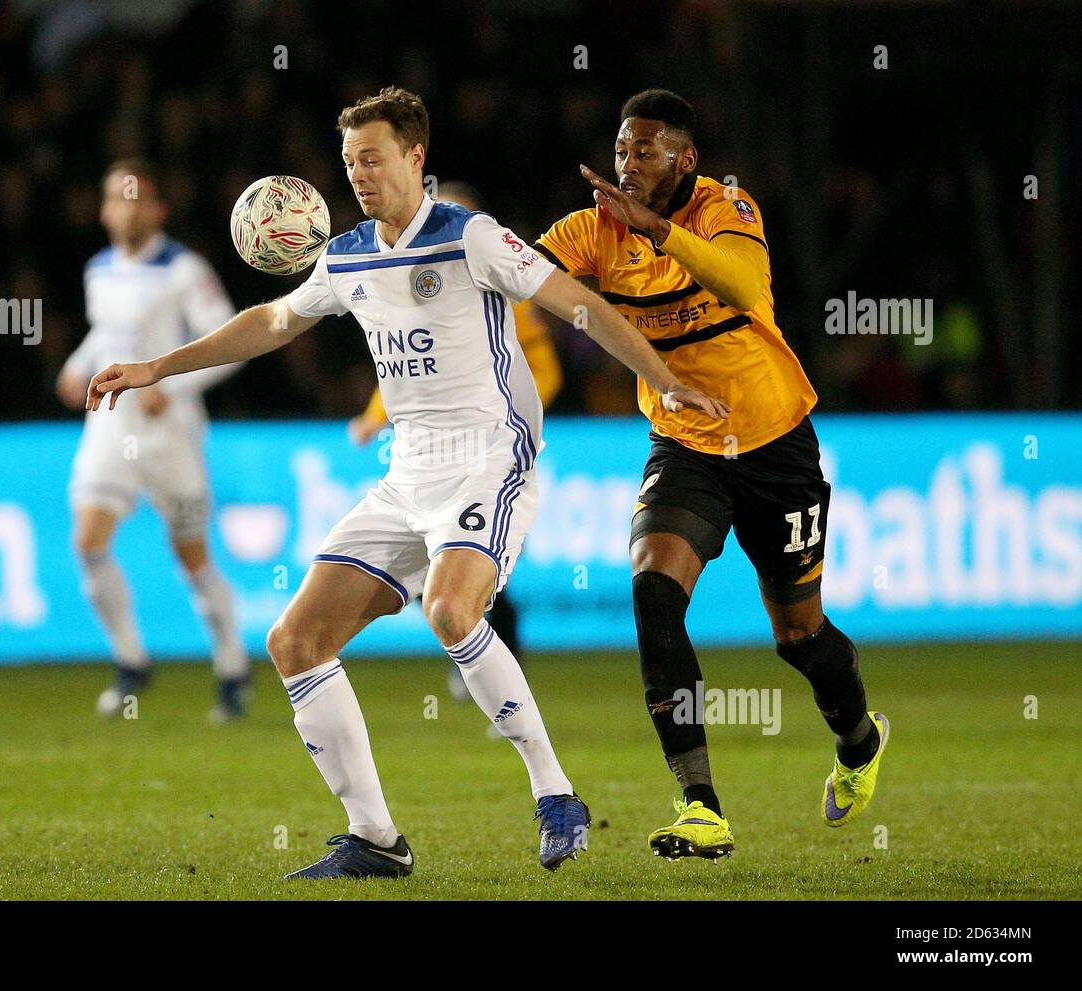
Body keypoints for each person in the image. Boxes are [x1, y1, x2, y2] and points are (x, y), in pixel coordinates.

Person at [86, 87, 727, 879]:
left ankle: (555, 791)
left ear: (416, 159)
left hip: (489, 453)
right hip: (407, 468)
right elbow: (274, 321)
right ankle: (376, 838)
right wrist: (158, 364)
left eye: (373, 157)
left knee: (450, 609)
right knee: (293, 641)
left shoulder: (473, 238)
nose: (358, 174)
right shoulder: (347, 253)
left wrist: (662, 379)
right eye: (351, 160)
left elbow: (580, 306)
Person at [535, 89, 888, 860]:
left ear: (686, 159)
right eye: (623, 150)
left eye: (648, 151)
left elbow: (745, 286)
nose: (629, 165)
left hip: (773, 440)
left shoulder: (726, 208)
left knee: (798, 635)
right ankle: (700, 805)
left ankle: (859, 739)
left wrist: (658, 230)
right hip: (684, 442)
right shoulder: (594, 227)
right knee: (653, 588)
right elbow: (518, 271)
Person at [347, 180, 564, 704]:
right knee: (440, 571)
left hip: (495, 449)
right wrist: (375, 417)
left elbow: (543, 367)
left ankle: (501, 672)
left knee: (478, 576)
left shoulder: (499, 291)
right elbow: (407, 367)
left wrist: (516, 415)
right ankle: (481, 666)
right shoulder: (411, 286)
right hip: (429, 459)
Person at [55, 159, 250, 723]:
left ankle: (232, 668)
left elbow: (227, 340)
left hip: (170, 433)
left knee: (191, 557)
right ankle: (131, 660)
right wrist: (78, 364)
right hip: (111, 426)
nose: (128, 207)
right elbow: (107, 333)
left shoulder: (184, 270)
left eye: (139, 197)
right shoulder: (98, 269)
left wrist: (175, 383)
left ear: (159, 209)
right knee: (88, 541)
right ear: (104, 210)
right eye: (119, 197)